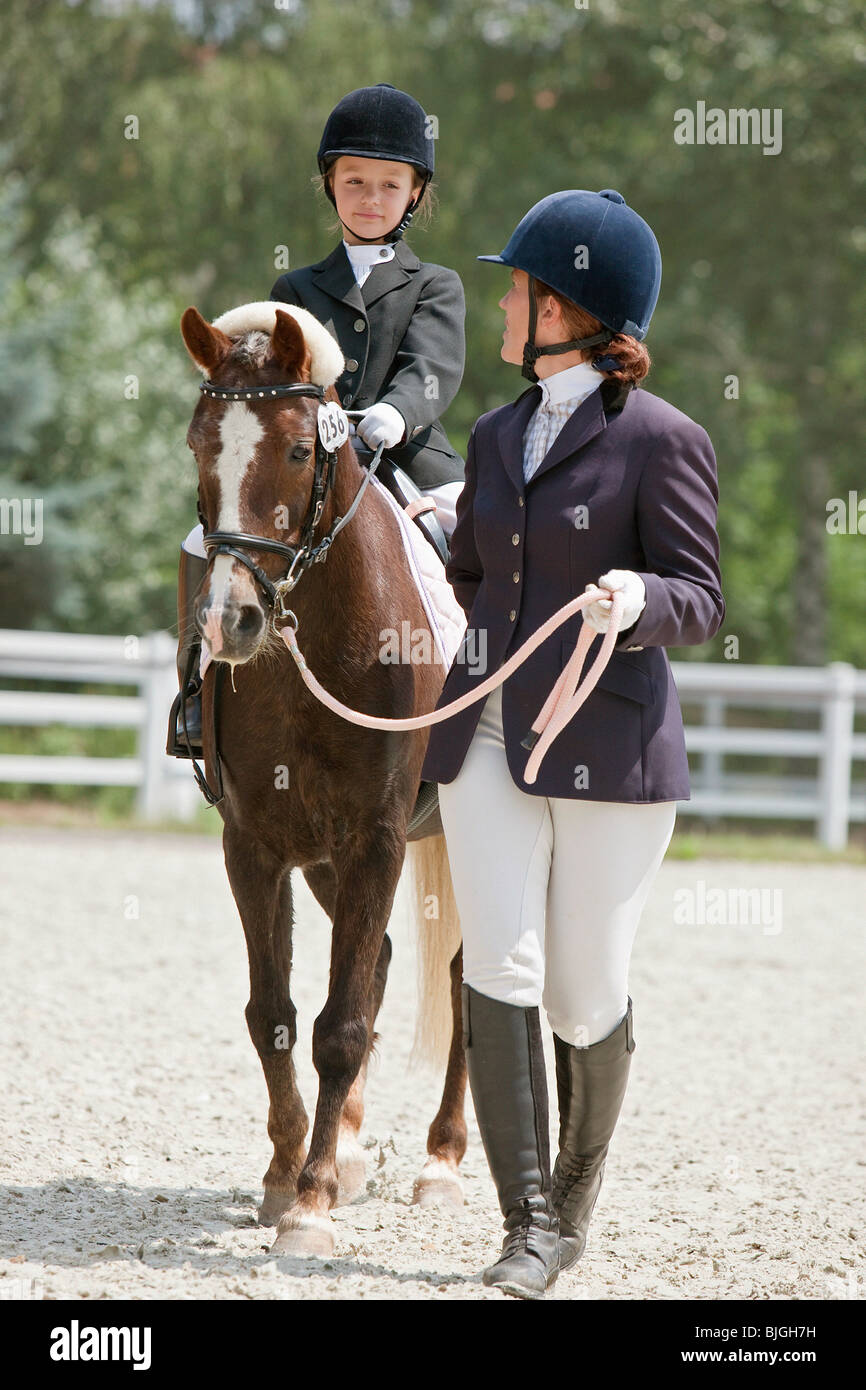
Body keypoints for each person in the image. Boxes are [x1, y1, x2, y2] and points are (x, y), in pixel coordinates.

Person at [419, 189, 725, 1298]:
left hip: (609, 744)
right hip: (489, 734)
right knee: (496, 963)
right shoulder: (496, 435)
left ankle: (573, 1205)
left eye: (517, 287)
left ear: (568, 309)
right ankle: (525, 1226)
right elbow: (470, 580)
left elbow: (701, 596)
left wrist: (635, 592)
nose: (502, 301)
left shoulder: (660, 439)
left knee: (581, 994)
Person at [168, 83, 466, 756]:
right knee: (200, 542)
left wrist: (393, 413)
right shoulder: (296, 290)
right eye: (355, 180)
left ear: (415, 193)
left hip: (412, 459)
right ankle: (197, 694)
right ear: (329, 184)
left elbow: (434, 370)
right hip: (309, 462)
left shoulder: (435, 285)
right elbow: (276, 382)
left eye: (389, 184)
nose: (370, 197)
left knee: (474, 540)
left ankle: (474, 708)